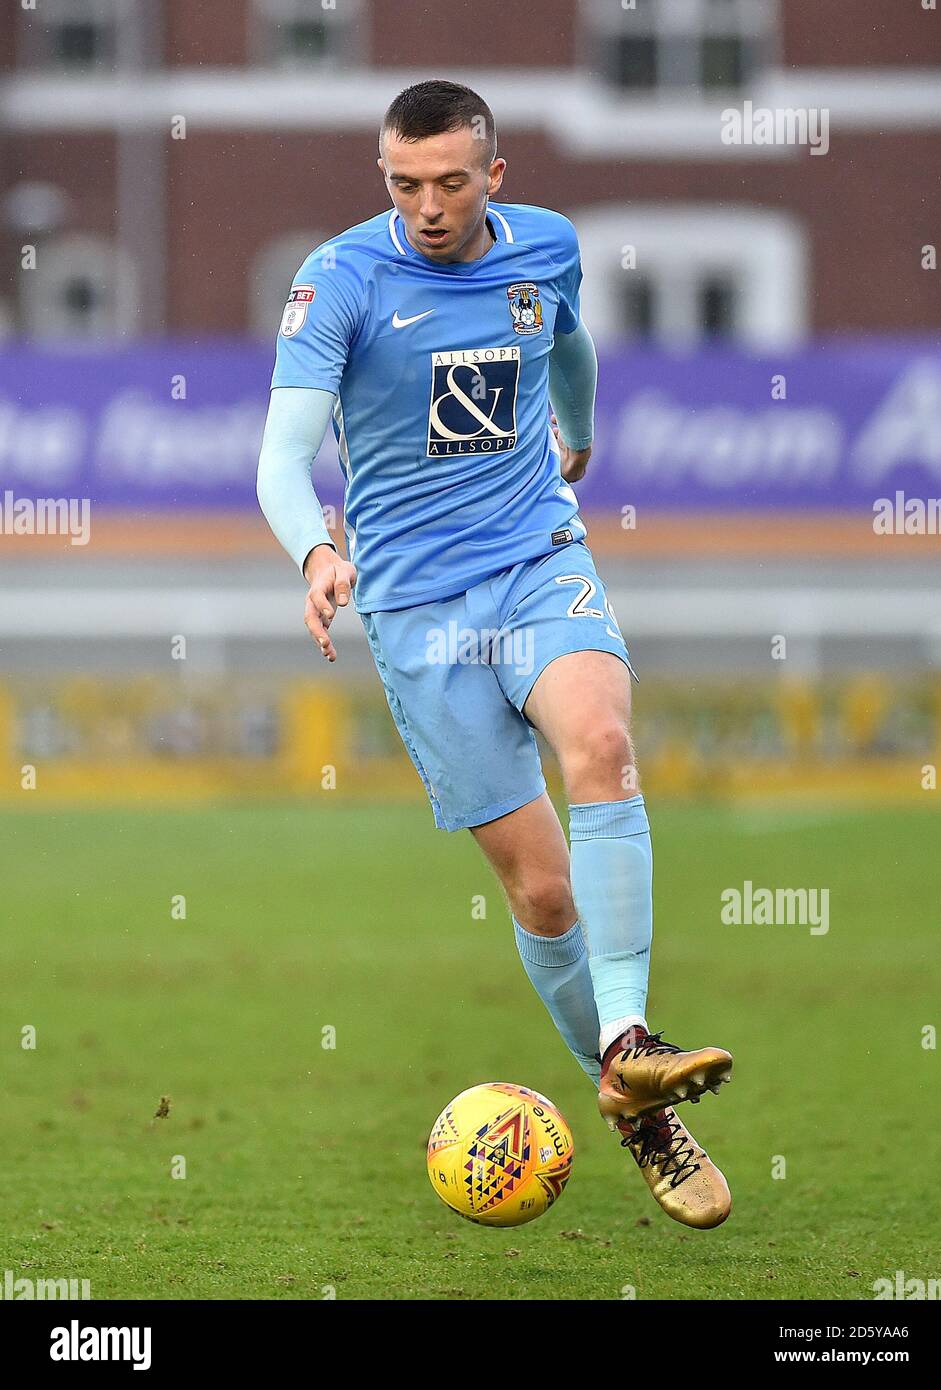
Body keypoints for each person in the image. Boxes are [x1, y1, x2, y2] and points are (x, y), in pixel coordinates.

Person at [257, 79, 733, 1228]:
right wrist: (317, 554)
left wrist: (580, 432)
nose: (425, 205)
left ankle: (631, 1037)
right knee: (541, 887)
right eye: (402, 183)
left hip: (535, 560)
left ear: (494, 176)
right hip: (418, 614)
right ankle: (633, 1107)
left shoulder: (548, 249)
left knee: (603, 744)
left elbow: (569, 349)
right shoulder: (340, 280)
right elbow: (281, 455)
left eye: (449, 181)